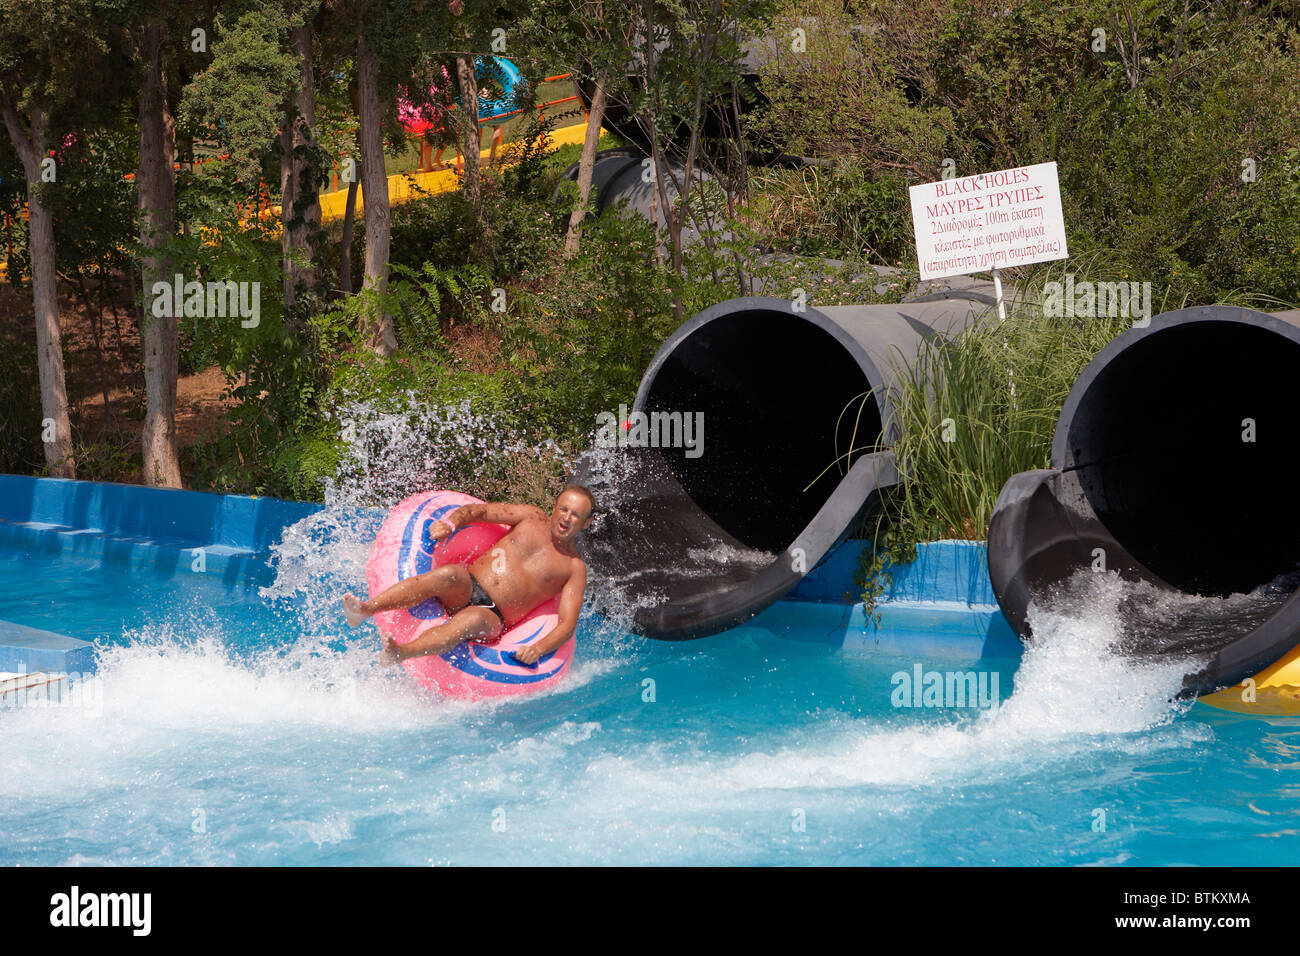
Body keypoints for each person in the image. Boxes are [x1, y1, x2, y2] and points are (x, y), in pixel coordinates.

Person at [343, 485, 595, 666]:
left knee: (470, 619)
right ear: (555, 507)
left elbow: (567, 624)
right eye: (564, 509)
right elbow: (482, 512)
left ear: (586, 523)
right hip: (468, 584)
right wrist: (450, 525)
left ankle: (401, 652)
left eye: (575, 515)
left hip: (492, 615)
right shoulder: (531, 517)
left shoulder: (573, 567)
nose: (566, 518)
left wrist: (537, 649)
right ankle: (366, 609)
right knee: (450, 574)